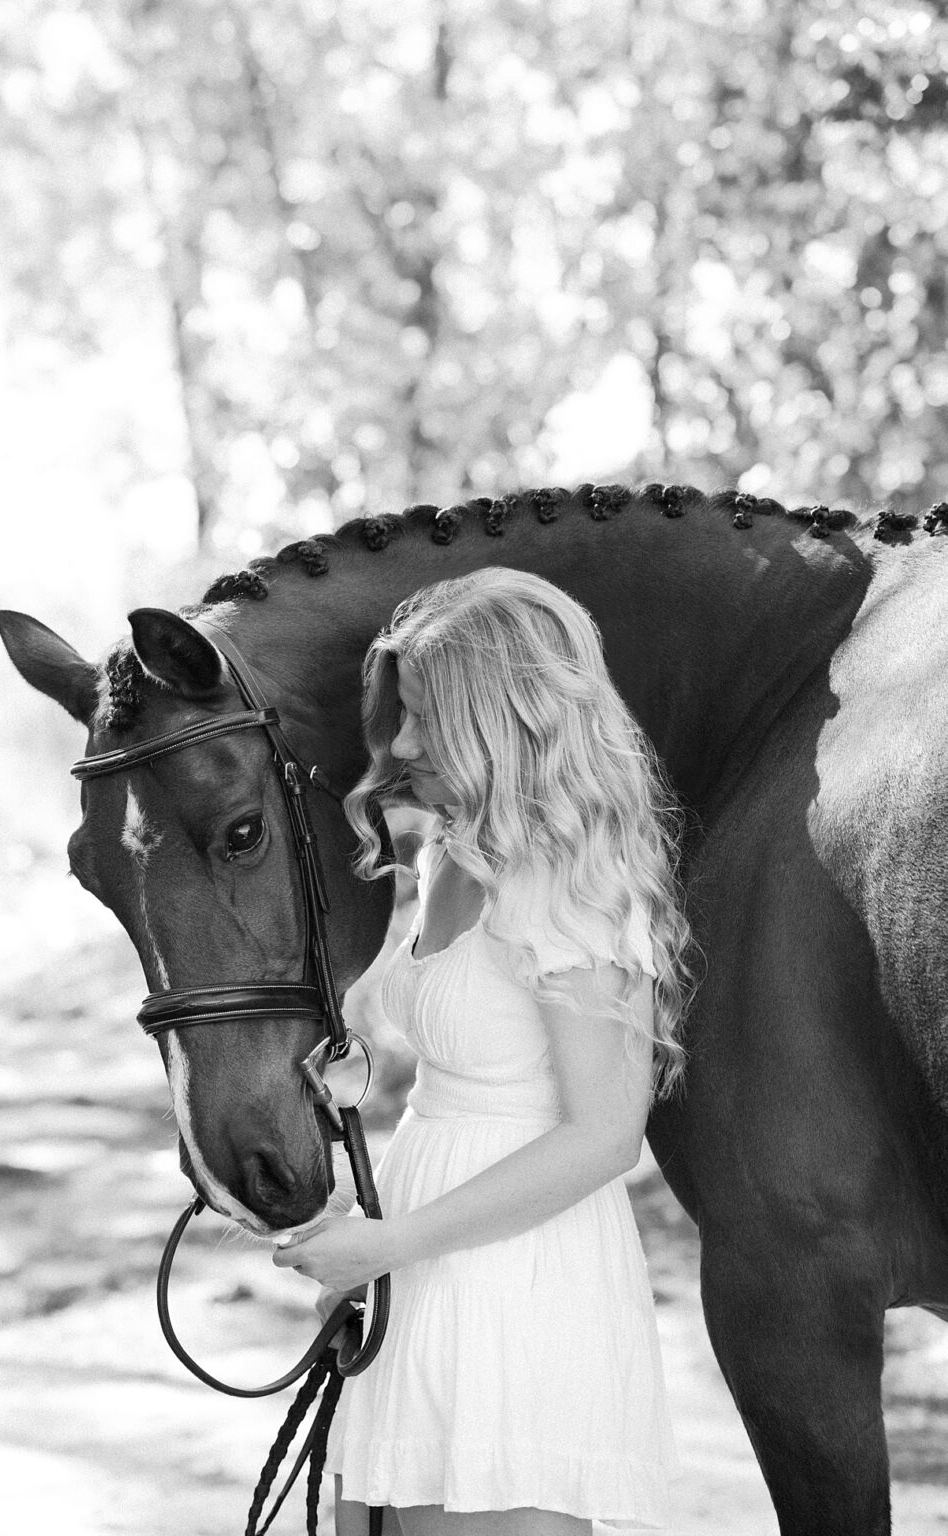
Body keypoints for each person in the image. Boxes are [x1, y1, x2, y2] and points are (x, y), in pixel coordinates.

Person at [272, 568, 695, 1536]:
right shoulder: (446, 851)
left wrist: (389, 1247)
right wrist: (352, 1086)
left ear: (502, 715)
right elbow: (471, 1057)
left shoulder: (569, 874)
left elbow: (602, 1136)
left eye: (428, 715)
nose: (406, 743)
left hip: (517, 1272)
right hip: (422, 1234)